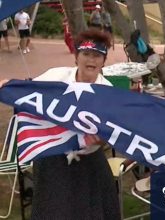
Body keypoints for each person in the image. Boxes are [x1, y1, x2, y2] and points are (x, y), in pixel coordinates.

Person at [0, 29, 121, 219]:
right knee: (53, 209)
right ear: (76, 56)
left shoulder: (109, 92)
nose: (91, 60)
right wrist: (10, 86)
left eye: (97, 55)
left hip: (88, 159)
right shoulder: (55, 77)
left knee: (95, 209)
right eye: (86, 54)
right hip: (51, 155)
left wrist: (100, 142)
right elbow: (28, 92)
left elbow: (111, 134)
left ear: (103, 60)